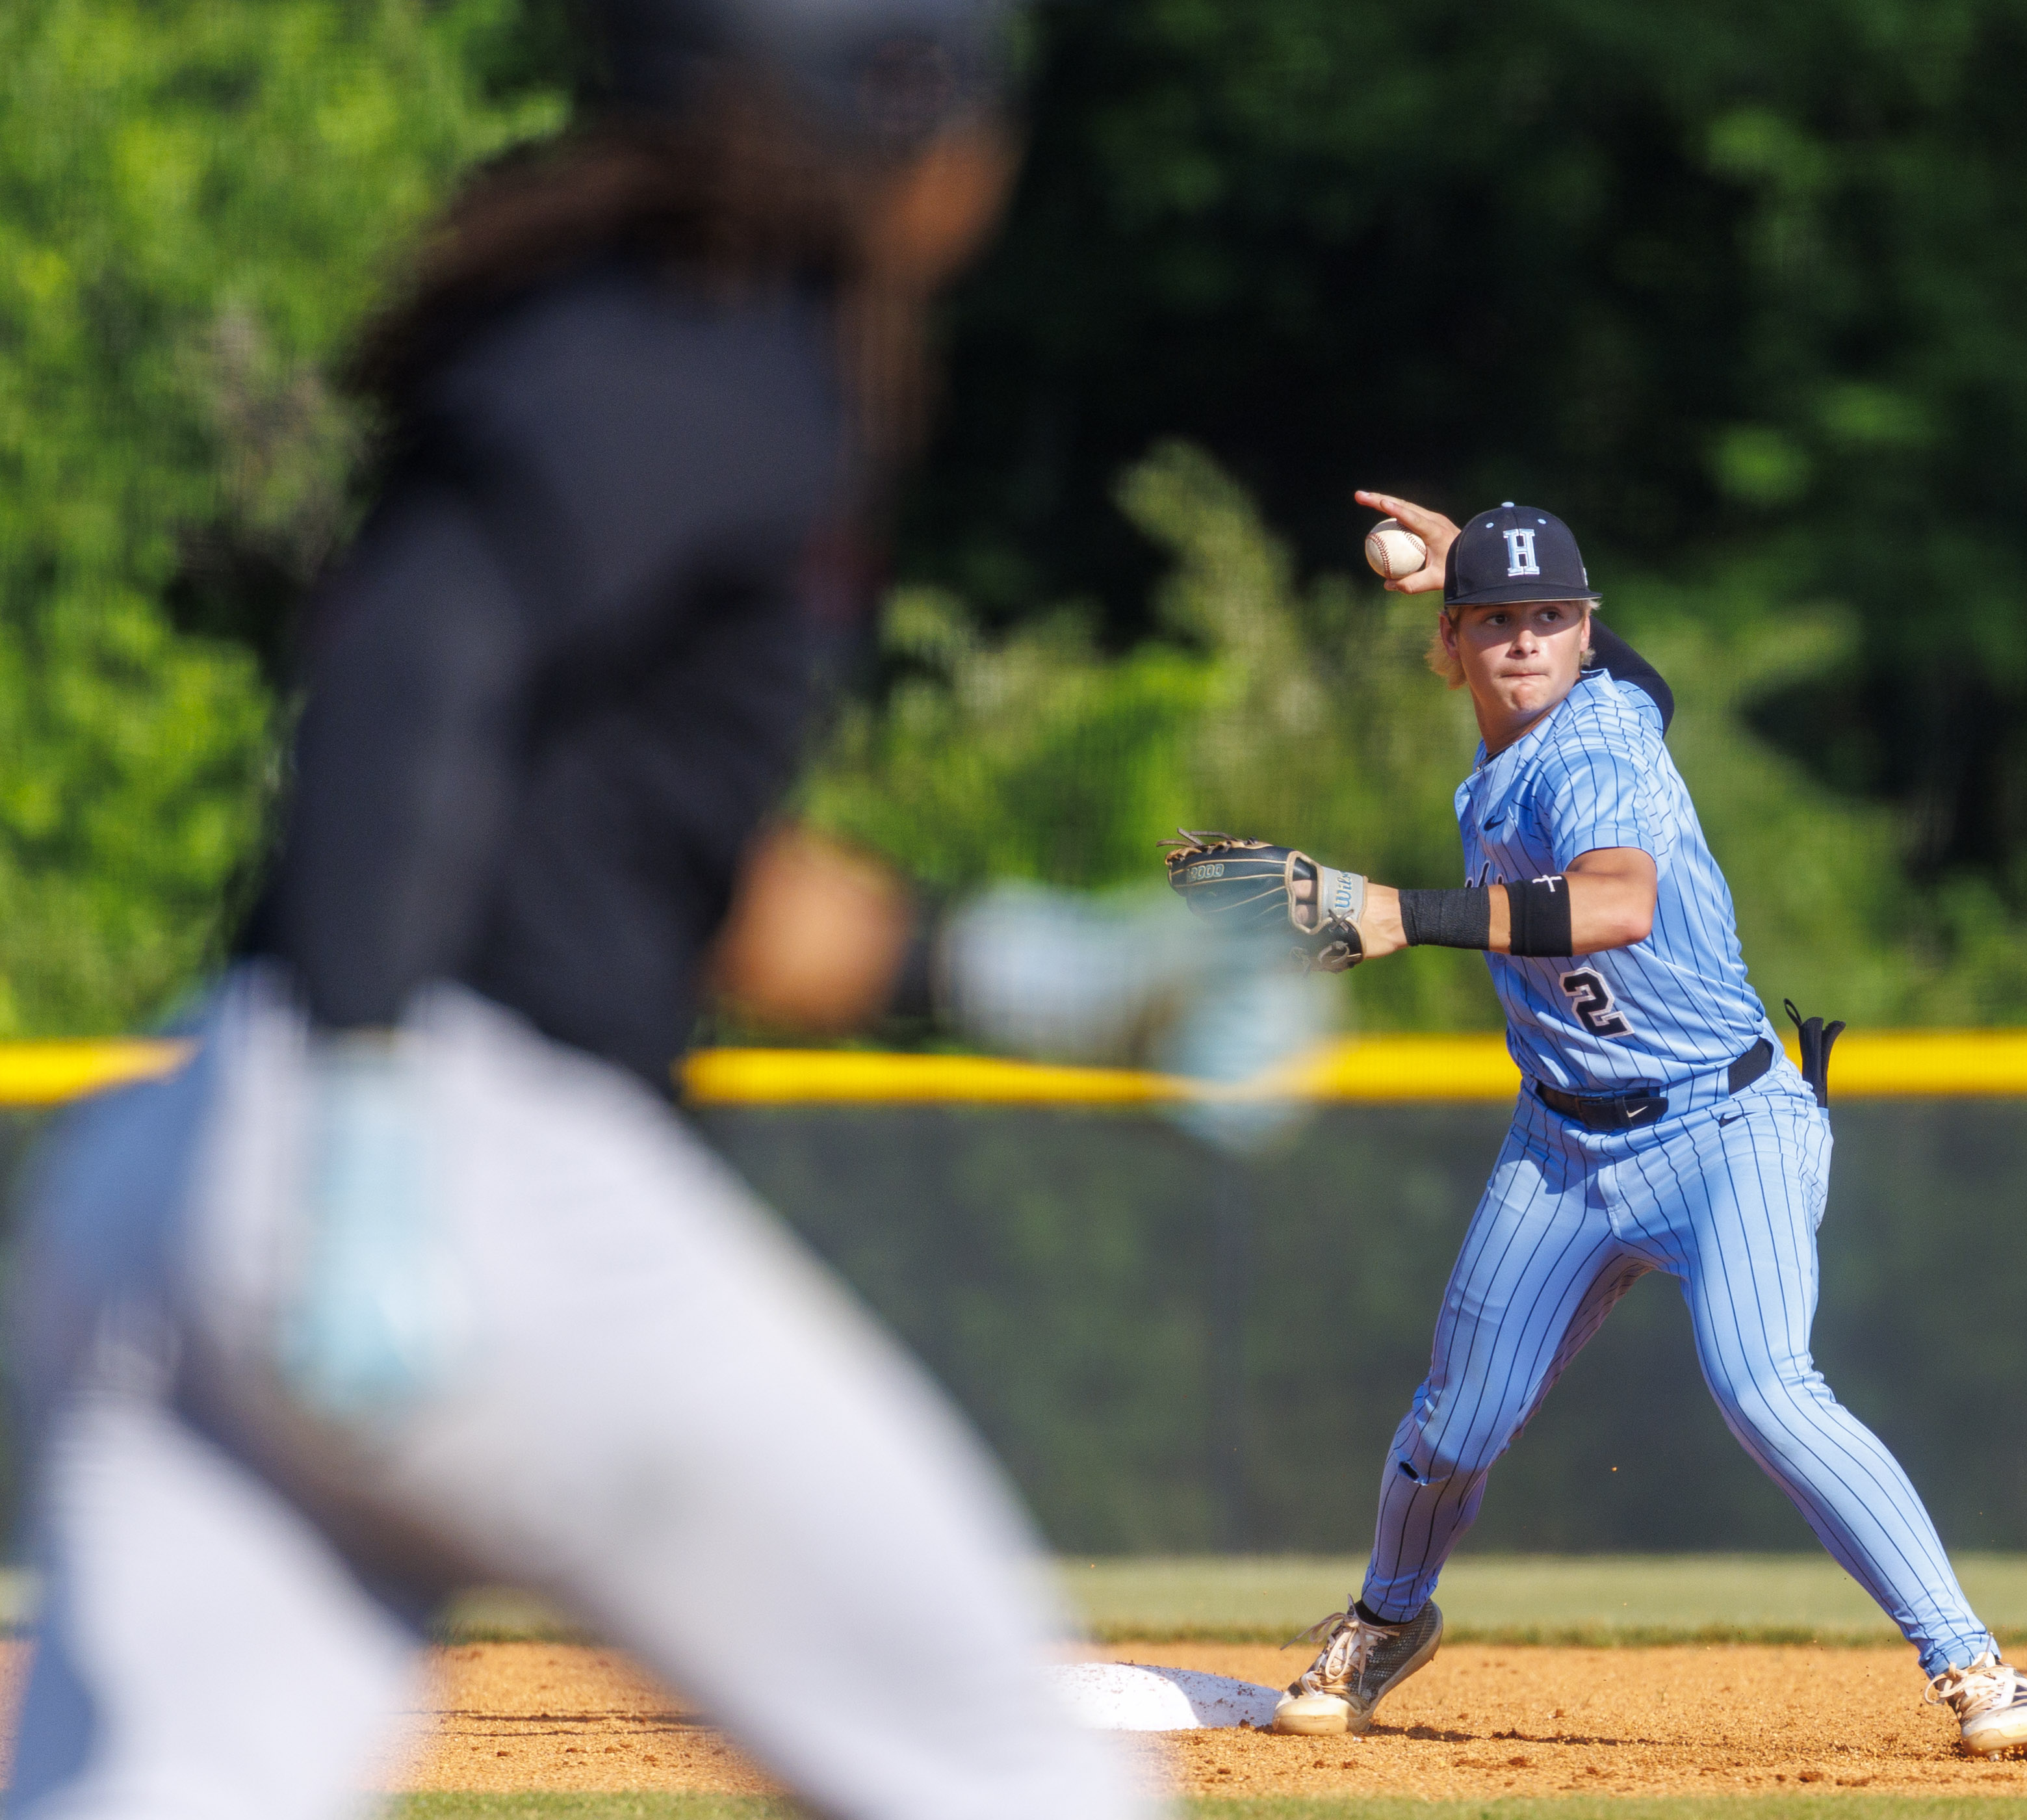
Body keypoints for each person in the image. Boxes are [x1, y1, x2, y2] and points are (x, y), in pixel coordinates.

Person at [5, 6, 1161, 1819]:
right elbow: (408, 664)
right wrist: (369, 1097)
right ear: (899, 113)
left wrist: (984, 961)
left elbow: (618, 848)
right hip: (465, 1165)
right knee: (1011, 1776)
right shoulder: (731, 354)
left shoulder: (603, 335)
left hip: (185, 1160)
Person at [1165, 492, 2027, 1760]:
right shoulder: (1594, 711)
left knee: (1766, 1385)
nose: (1527, 639)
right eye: (1496, 618)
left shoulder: (1596, 752)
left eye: (1553, 614)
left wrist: (1401, 912)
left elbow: (1616, 902)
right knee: (1456, 1424)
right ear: (1451, 641)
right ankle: (1388, 1619)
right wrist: (1465, 555)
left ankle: (1972, 1664)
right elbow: (1646, 678)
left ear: (1584, 629)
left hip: (1727, 1126)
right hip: (1562, 1149)